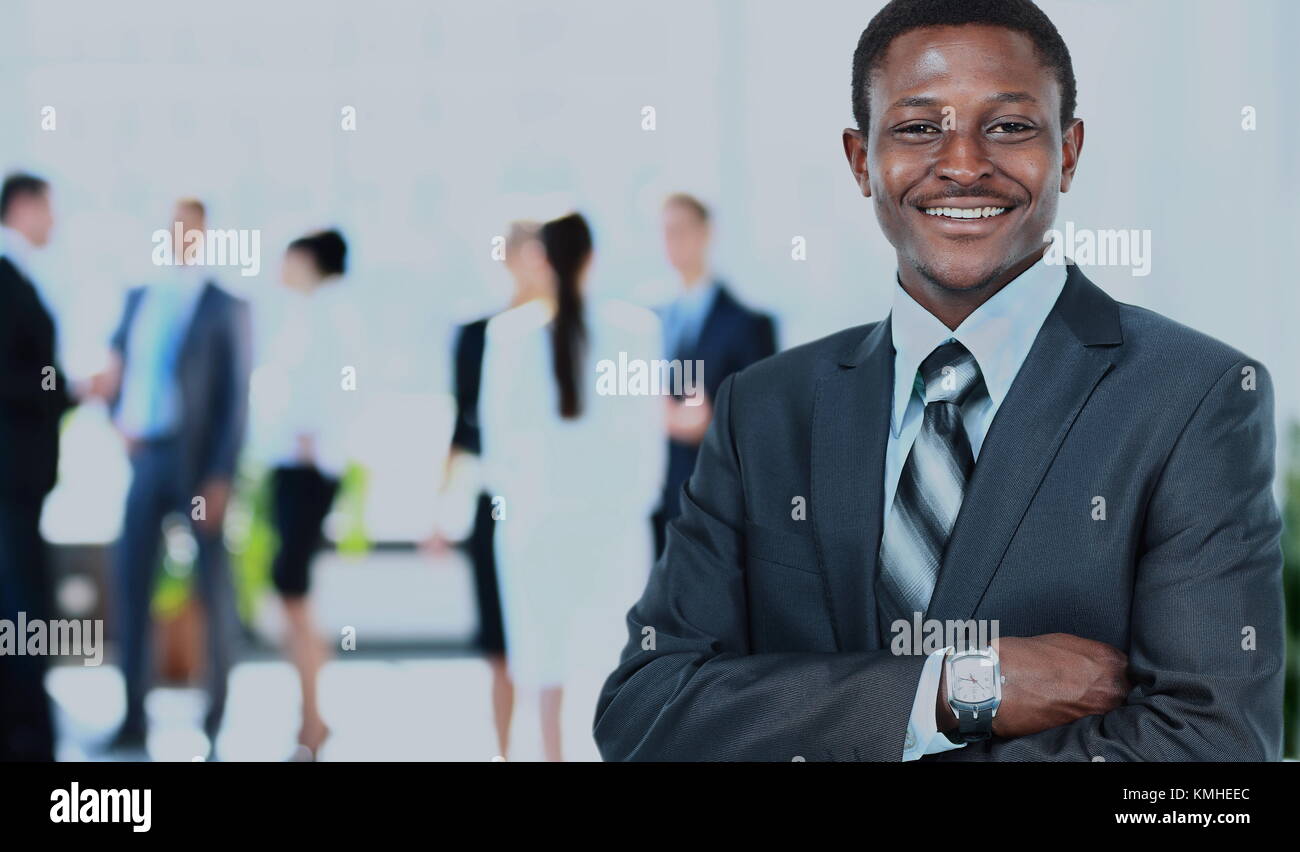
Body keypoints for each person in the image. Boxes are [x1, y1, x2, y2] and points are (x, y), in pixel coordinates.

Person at [595, 0, 1283, 761]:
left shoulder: (1194, 397)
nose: (962, 162)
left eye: (1011, 126)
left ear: (1070, 151)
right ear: (861, 161)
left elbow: (1210, 764)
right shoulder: (765, 410)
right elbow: (646, 712)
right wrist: (956, 687)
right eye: (920, 128)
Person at [480, 213, 663, 761]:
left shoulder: (507, 336)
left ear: (541, 259)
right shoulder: (637, 329)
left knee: (544, 663)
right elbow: (645, 442)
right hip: (613, 525)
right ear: (591, 257)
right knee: (618, 657)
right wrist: (633, 508)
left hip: (536, 525)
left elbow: (497, 449)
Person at [104, 198, 252, 754]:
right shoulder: (141, 295)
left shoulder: (225, 305)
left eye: (191, 230)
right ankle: (132, 718)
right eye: (174, 229)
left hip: (198, 467)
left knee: (212, 591)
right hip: (147, 456)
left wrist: (220, 476)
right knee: (129, 579)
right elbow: (118, 367)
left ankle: (214, 722)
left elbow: (236, 399)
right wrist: (116, 417)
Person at [444, 221, 550, 759]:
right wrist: (441, 507)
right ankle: (505, 752)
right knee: (499, 645)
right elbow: (462, 427)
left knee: (552, 641)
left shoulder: (568, 334)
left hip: (552, 502)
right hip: (495, 498)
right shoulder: (476, 334)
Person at [257, 230, 357, 760]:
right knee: (293, 598)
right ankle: (311, 714)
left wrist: (307, 445)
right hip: (298, 472)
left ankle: (313, 717)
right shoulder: (310, 315)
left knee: (293, 596)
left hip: (305, 474)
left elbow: (325, 402)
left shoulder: (325, 318)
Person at [0, 173, 82, 761]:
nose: (54, 221)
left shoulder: (22, 276)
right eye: (49, 209)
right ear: (23, 207)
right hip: (9, 477)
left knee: (23, 600)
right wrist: (67, 389)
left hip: (22, 480)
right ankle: (25, 735)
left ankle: (27, 727)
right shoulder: (6, 278)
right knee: (19, 603)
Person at [652, 193, 776, 557]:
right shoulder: (651, 321)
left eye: (680, 230)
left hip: (715, 500)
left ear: (706, 234)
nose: (672, 243)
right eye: (665, 233)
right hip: (657, 499)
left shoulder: (749, 324)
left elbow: (761, 418)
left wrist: (711, 420)